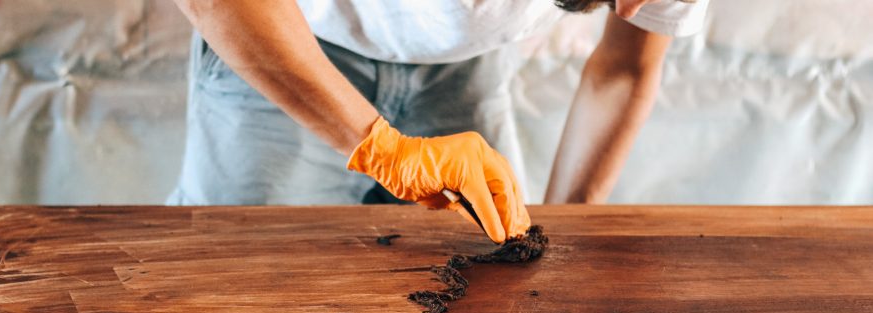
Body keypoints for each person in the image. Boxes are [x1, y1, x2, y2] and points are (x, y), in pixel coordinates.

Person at [169, 0, 709, 243]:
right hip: (290, 41)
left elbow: (623, 68)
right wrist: (387, 151)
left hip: (465, 68)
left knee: (502, 283)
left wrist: (571, 226)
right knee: (237, 278)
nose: (633, 6)